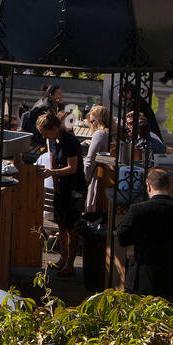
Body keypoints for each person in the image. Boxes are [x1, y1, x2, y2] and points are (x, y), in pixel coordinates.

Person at [115, 168, 173, 308]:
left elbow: (122, 238)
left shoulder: (138, 210)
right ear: (169, 187)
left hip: (141, 282)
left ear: (148, 186)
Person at [37, 111, 85, 276]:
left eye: (45, 133)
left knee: (72, 227)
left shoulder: (69, 141)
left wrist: (53, 173)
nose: (44, 137)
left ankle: (70, 264)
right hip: (61, 188)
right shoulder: (55, 141)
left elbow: (72, 168)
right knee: (61, 226)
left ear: (55, 128)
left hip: (73, 189)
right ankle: (63, 259)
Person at [83, 105, 113, 212]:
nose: (91, 124)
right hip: (110, 175)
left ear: (98, 121)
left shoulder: (99, 134)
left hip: (98, 176)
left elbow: (90, 160)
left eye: (92, 121)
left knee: (93, 209)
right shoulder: (112, 133)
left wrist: (84, 179)